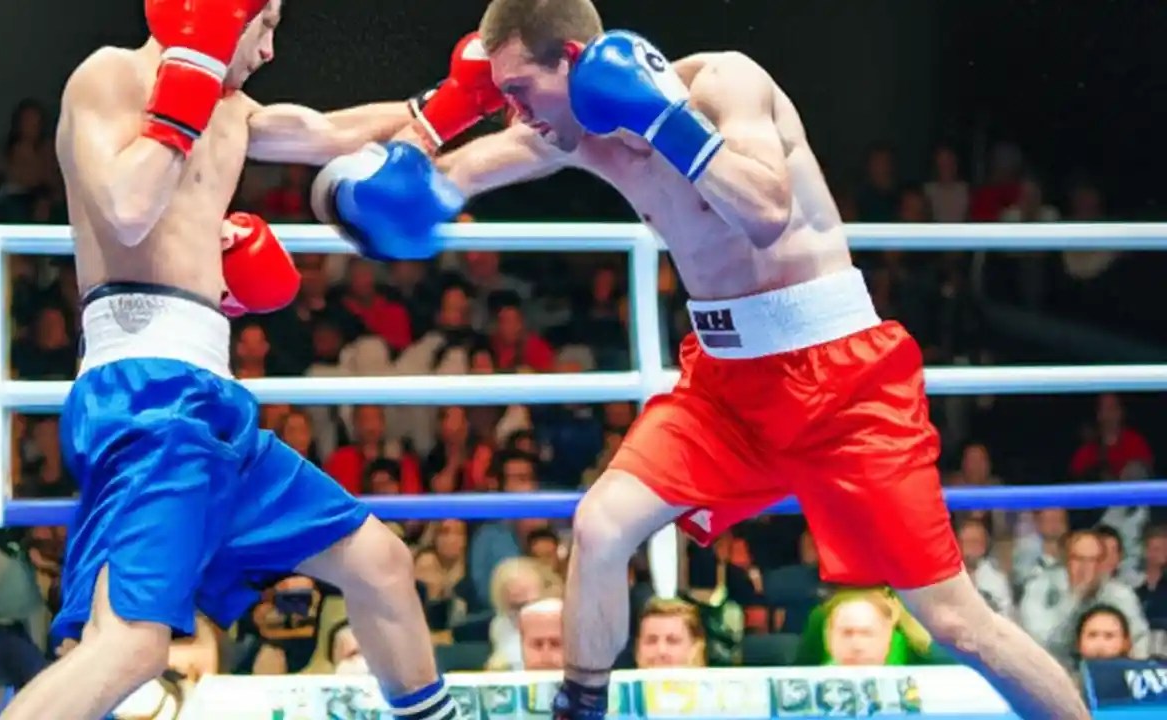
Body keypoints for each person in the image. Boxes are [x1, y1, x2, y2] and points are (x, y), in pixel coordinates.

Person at [393, 1, 1090, 717]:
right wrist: (405, 168)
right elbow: (459, 169)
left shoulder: (725, 83)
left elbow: (764, 212)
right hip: (722, 387)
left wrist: (664, 120)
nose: (512, 112)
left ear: (573, 60)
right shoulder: (570, 132)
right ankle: (581, 706)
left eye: (518, 92)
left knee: (955, 624)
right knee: (601, 526)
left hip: (843, 385)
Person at [0, 1, 464, 719]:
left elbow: (332, 132)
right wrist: (188, 78)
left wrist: (461, 99)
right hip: (147, 397)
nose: (271, 48)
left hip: (213, 402)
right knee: (128, 648)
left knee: (380, 563)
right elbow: (126, 209)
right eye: (266, 22)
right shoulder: (109, 79)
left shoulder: (235, 111)